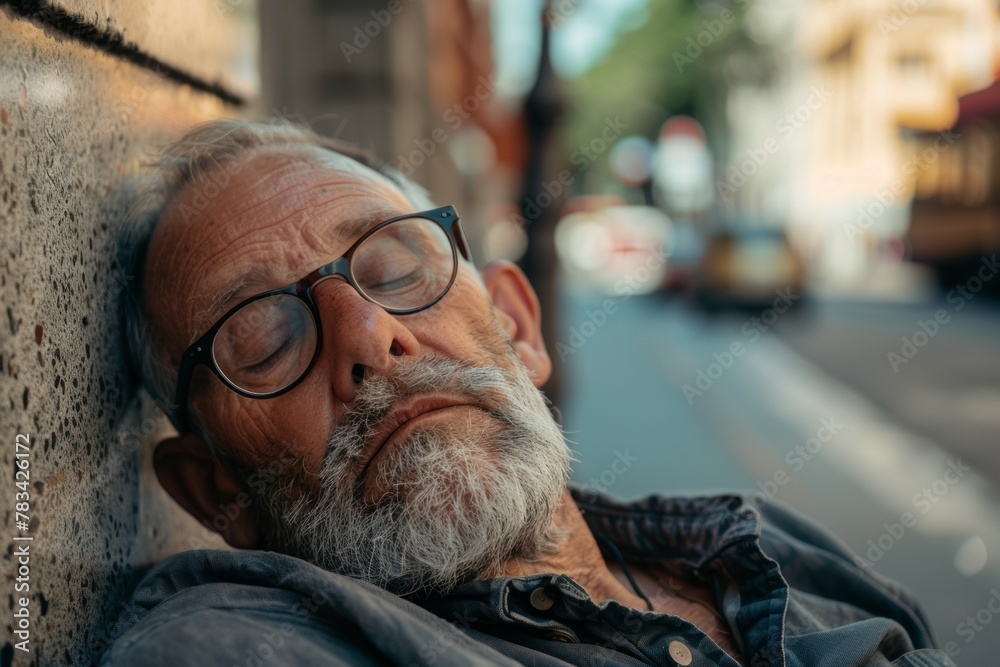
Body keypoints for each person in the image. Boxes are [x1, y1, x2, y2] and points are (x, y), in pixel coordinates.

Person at [102, 119, 954, 667]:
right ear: (217, 491)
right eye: (262, 336)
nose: (368, 335)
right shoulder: (232, 645)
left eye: (396, 268)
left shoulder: (761, 539)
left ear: (517, 322)